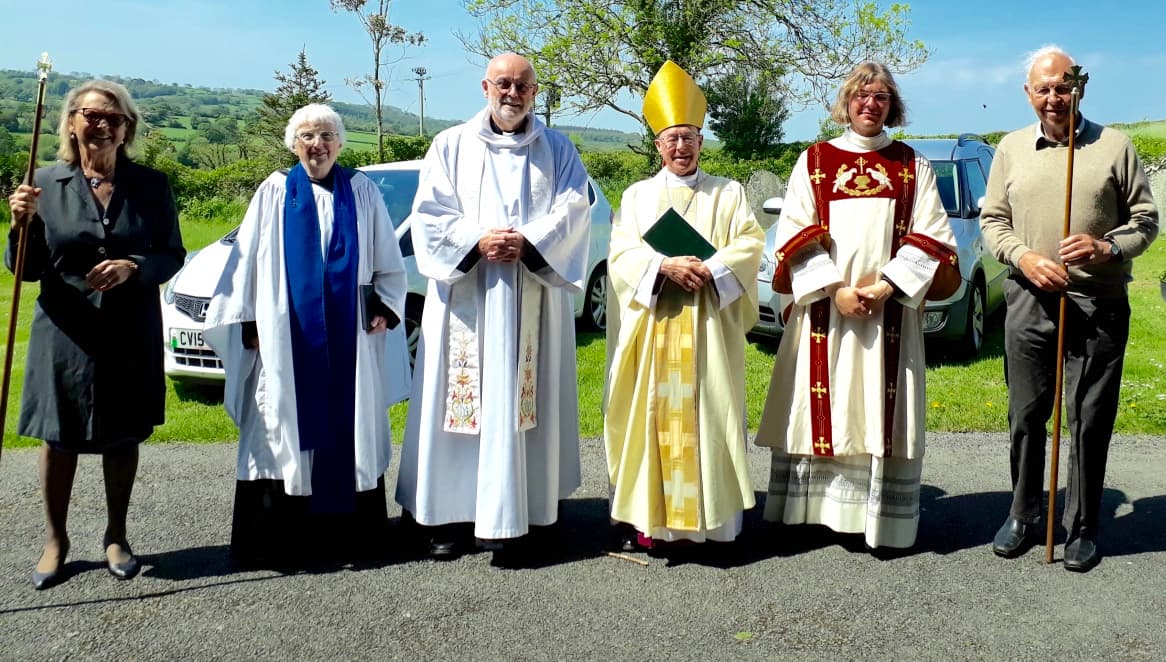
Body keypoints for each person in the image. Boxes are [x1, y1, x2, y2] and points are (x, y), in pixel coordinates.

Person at [753, 61, 959, 550]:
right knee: (823, 404)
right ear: (846, 103)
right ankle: (812, 512)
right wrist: (835, 289)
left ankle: (878, 520)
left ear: (892, 106)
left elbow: (931, 234)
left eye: (881, 97)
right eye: (861, 96)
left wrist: (888, 286)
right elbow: (794, 232)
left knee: (879, 408)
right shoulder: (815, 161)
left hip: (890, 315)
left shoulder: (911, 164)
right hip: (826, 313)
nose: (871, 104)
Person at [395, 53, 591, 563]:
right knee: (460, 403)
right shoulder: (450, 144)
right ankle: (448, 516)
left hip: (532, 292)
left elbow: (574, 209)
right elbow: (430, 215)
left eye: (523, 86)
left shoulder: (558, 149)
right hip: (468, 295)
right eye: (503, 83)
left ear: (535, 92)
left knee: (529, 400)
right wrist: (477, 241)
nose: (512, 93)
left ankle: (531, 511)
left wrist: (527, 241)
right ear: (485, 87)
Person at [203, 104, 409, 567]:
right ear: (293, 144)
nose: (318, 145)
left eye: (327, 136)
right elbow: (247, 260)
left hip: (348, 338)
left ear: (340, 142)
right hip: (284, 337)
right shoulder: (275, 190)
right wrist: (249, 321)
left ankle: (350, 540)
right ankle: (282, 543)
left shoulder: (361, 190)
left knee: (349, 422)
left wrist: (384, 305)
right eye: (308, 136)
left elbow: (386, 257)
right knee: (279, 422)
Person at [981, 46, 1158, 572]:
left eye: (1063, 87)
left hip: (1098, 301)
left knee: (1088, 419)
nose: (1054, 97)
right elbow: (993, 221)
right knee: (1026, 414)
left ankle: (1082, 525)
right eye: (1044, 89)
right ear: (1028, 93)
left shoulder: (1114, 146)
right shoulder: (1011, 148)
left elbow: (1146, 220)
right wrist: (1024, 257)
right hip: (1029, 299)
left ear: (1080, 87)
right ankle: (1023, 513)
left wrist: (1107, 247)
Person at [5, 80, 185, 589]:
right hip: (65, 332)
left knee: (122, 434)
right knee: (59, 437)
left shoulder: (151, 185)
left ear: (127, 129)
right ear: (71, 123)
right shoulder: (43, 184)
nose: (102, 124)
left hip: (129, 330)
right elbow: (26, 270)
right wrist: (19, 226)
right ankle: (55, 541)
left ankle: (116, 536)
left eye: (114, 118)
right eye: (91, 115)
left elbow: (172, 253)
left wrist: (134, 266)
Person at [603, 61, 764, 553]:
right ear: (658, 144)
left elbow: (749, 242)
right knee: (652, 417)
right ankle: (655, 523)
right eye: (671, 138)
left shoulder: (728, 192)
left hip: (709, 325)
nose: (681, 147)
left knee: (712, 414)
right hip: (655, 327)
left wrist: (711, 270)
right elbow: (621, 253)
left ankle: (715, 524)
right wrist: (663, 266)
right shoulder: (637, 196)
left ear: (701, 140)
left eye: (689, 137)